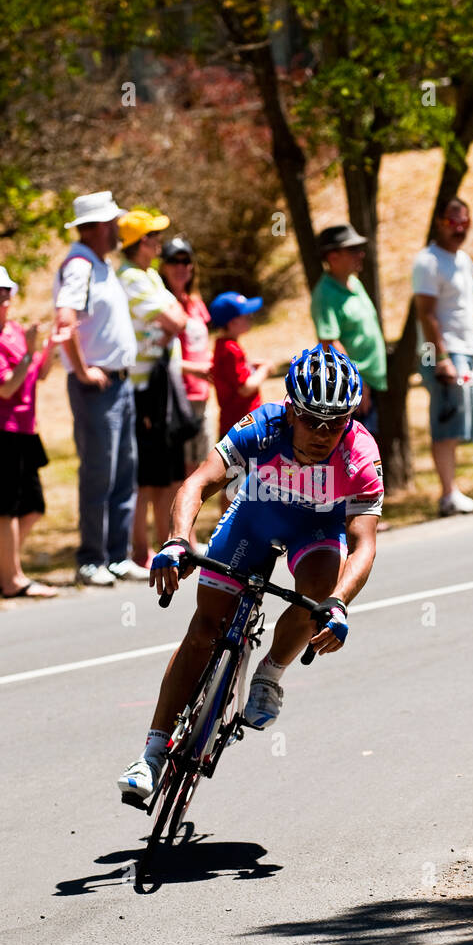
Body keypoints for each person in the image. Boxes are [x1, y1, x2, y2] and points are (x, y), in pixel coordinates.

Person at [117, 344, 384, 802]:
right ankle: (153, 753)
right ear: (290, 410)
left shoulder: (360, 454)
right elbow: (198, 483)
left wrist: (338, 604)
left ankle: (270, 674)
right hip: (253, 521)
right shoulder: (261, 427)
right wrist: (179, 539)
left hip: (315, 531)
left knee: (319, 592)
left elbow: (364, 543)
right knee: (204, 629)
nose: (323, 433)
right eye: (312, 420)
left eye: (336, 422)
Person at [53, 190, 142, 587]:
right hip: (97, 386)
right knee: (99, 472)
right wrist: (83, 369)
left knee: (124, 470)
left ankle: (116, 556)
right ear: (100, 227)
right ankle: (92, 559)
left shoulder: (99, 264)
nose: (118, 230)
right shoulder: (79, 265)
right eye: (113, 224)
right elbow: (64, 320)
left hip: (118, 384)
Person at [0, 264, 59, 598]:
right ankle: (13, 579)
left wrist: (49, 349)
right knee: (6, 507)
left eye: (7, 290)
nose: (4, 296)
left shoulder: (16, 331)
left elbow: (39, 374)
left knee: (33, 506)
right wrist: (30, 352)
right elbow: (6, 388)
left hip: (24, 428)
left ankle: (1, 571)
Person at [117, 209, 191, 570]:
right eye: (153, 238)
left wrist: (171, 323)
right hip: (144, 390)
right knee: (146, 478)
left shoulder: (148, 275)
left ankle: (167, 543)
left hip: (161, 389)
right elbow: (176, 319)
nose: (159, 244)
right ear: (139, 243)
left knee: (166, 474)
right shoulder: (131, 277)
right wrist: (170, 324)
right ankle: (140, 550)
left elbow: (179, 318)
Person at [412, 198, 473, 516]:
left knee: (459, 423)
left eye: (465, 223)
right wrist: (441, 358)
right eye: (453, 222)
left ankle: (453, 490)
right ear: (439, 221)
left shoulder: (463, 259)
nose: (459, 229)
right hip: (443, 352)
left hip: (462, 349)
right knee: (446, 420)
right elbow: (426, 313)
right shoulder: (429, 261)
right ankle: (447, 494)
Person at [310, 224, 387, 434]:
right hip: (355, 390)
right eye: (352, 250)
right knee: (355, 455)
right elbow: (329, 343)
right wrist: (356, 384)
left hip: (373, 383)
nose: (360, 254)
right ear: (333, 257)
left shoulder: (354, 283)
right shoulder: (325, 294)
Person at [159, 236, 214, 478]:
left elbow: (202, 346)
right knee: (180, 473)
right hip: (177, 397)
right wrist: (195, 370)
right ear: (163, 266)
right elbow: (159, 358)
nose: (181, 267)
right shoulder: (163, 306)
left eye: (186, 261)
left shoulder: (196, 304)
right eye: (174, 261)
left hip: (203, 395)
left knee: (202, 468)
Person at [210, 290, 271, 444]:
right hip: (242, 426)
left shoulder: (224, 345)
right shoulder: (231, 350)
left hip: (237, 424)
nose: (250, 317)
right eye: (245, 315)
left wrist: (251, 365)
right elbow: (245, 388)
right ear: (232, 323)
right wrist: (265, 369)